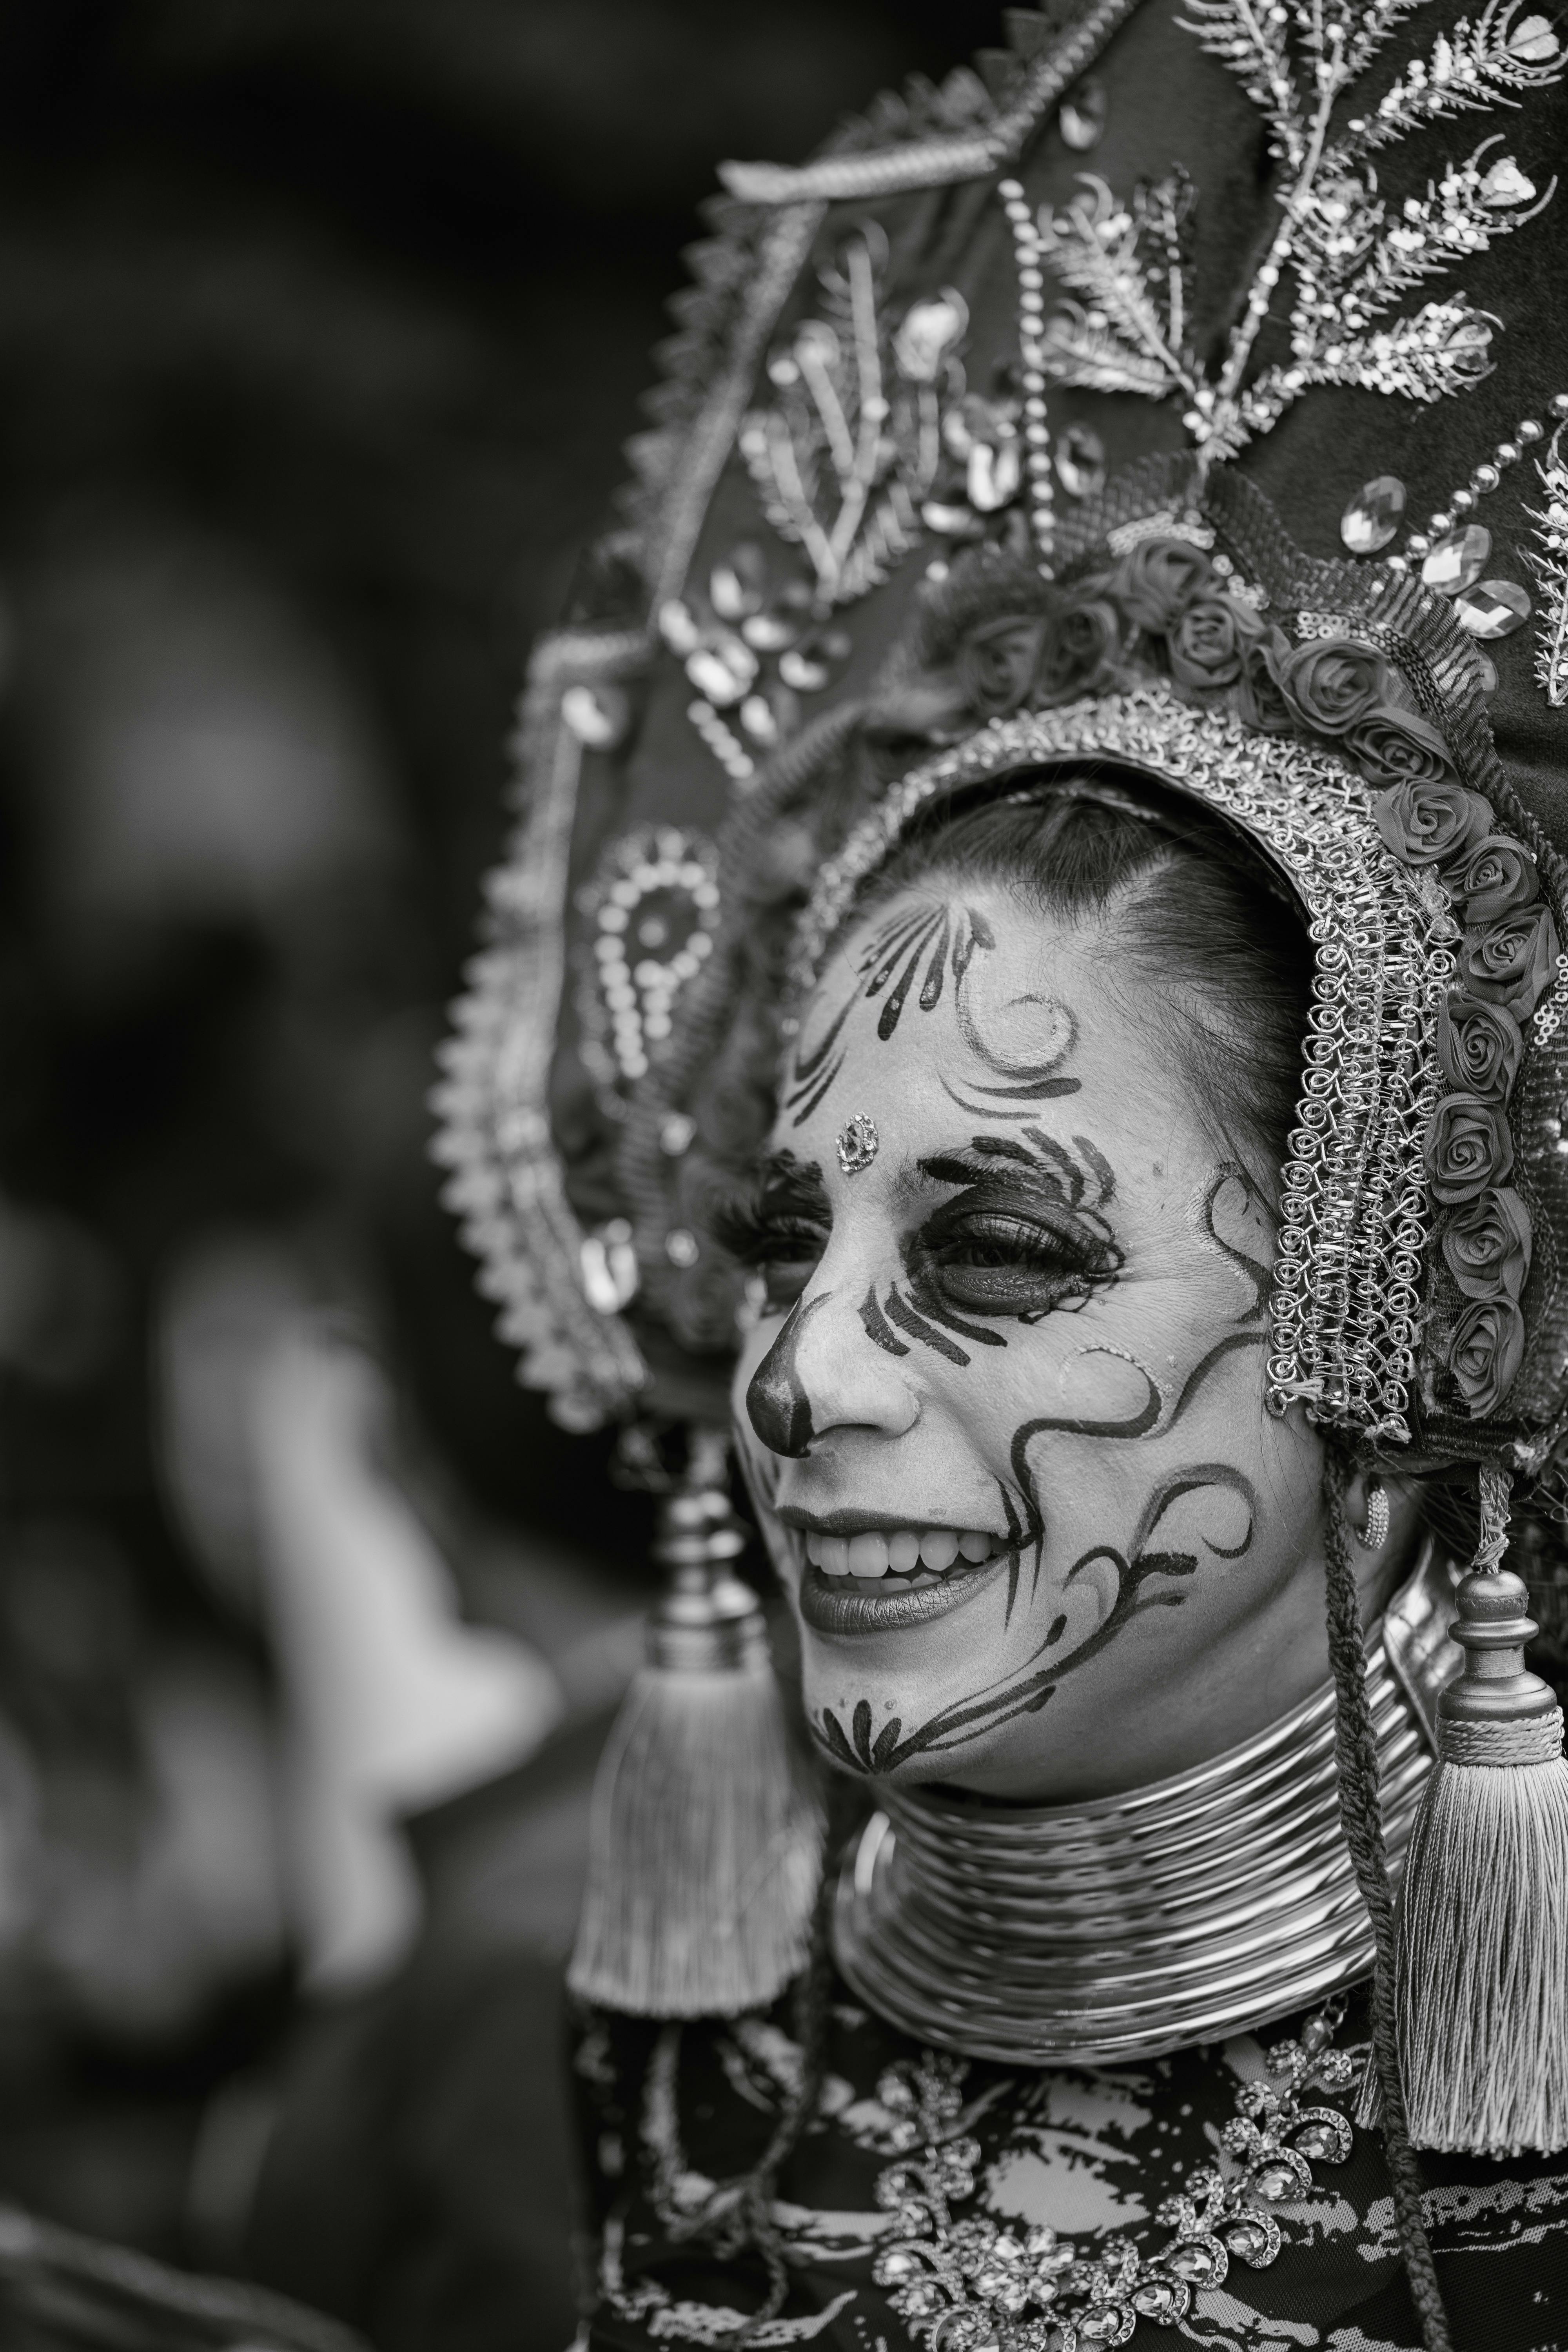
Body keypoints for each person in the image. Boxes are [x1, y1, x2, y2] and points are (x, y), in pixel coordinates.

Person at [434, 0, 1568, 2343]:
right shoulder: (705, 2067)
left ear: (1397, 1299)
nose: (801, 1375)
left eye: (1004, 1250)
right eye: (787, 1236)